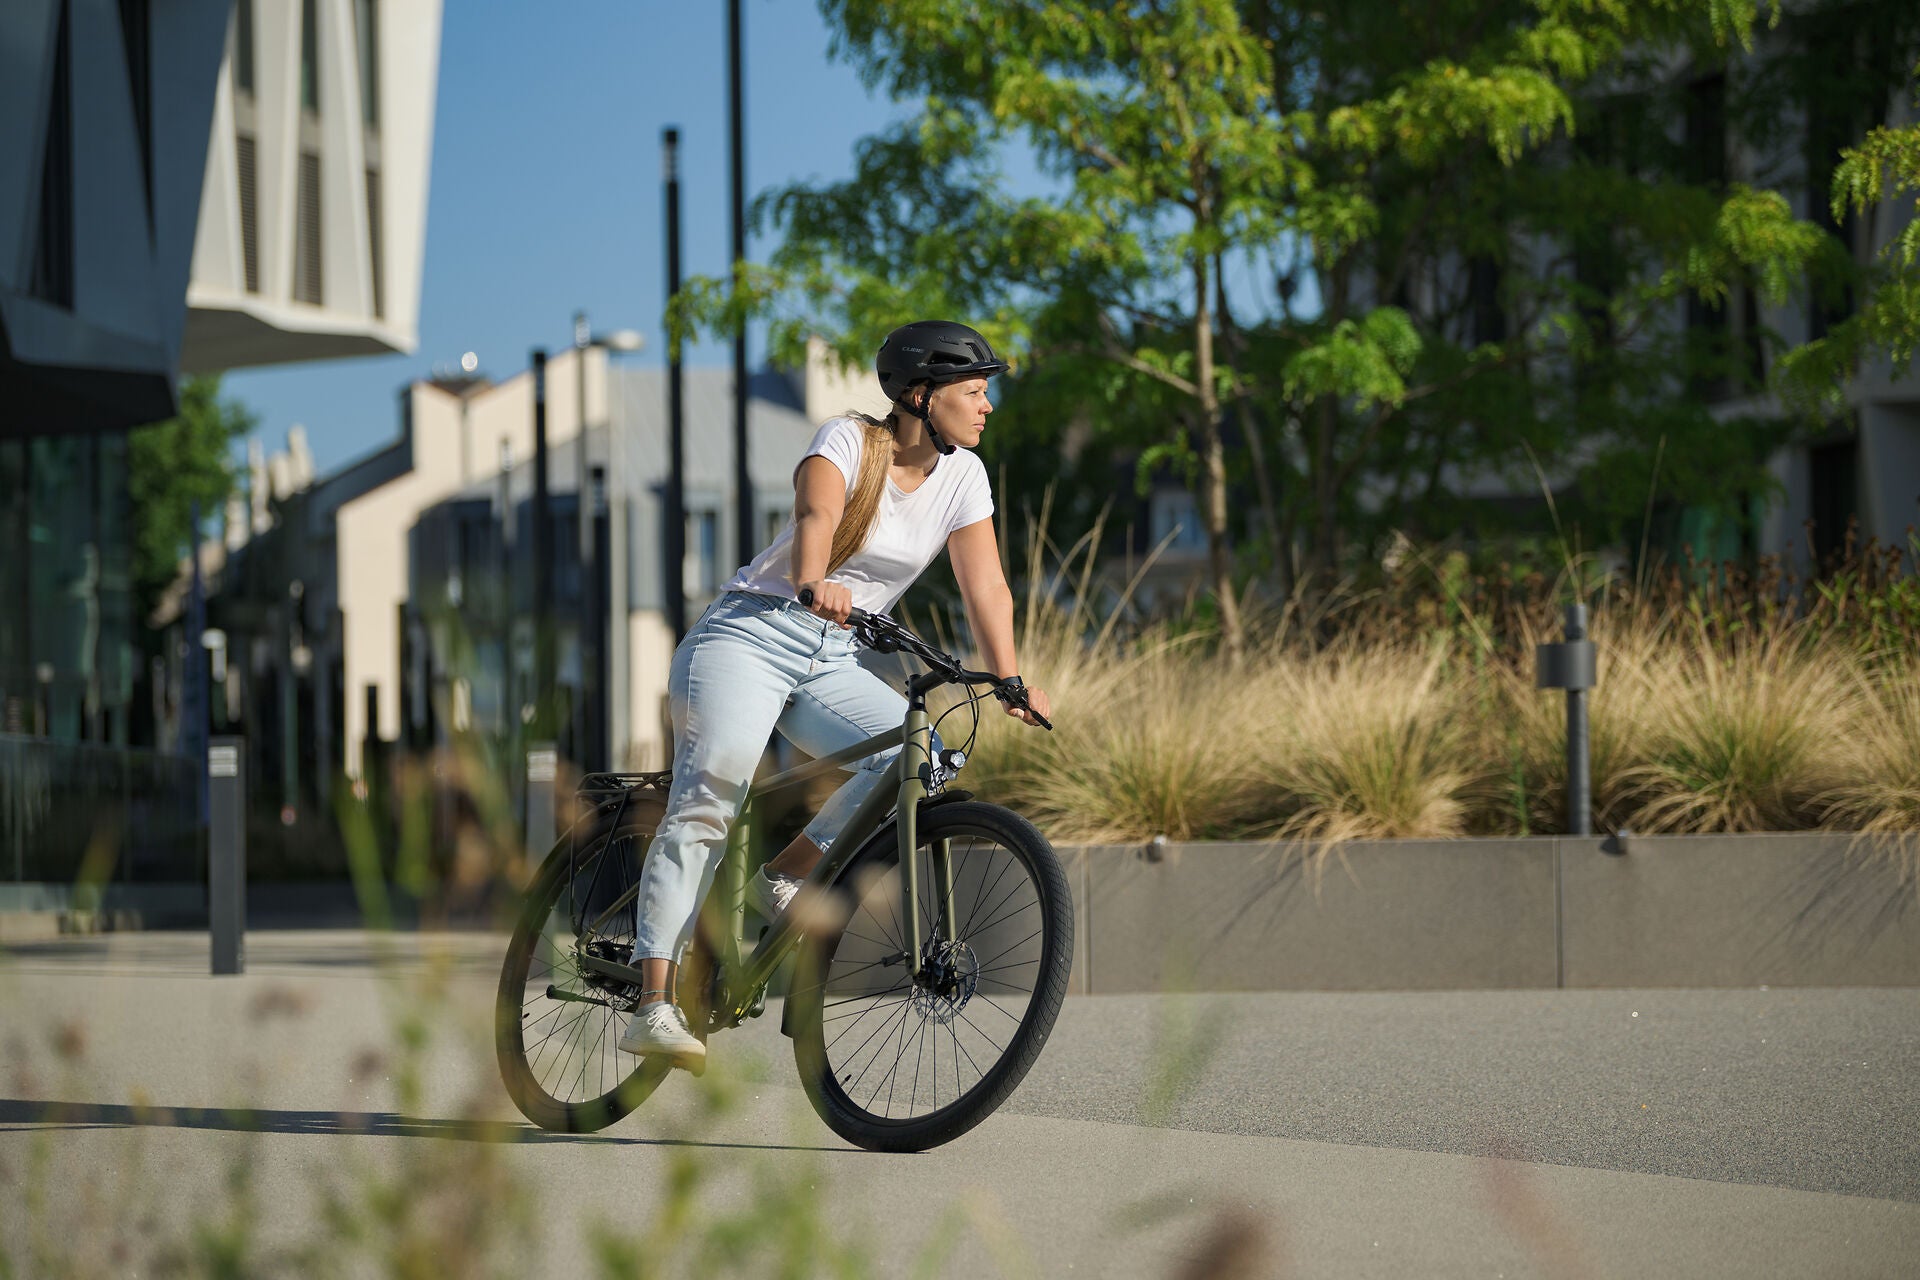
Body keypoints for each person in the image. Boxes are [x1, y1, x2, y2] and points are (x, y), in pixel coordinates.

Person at [617, 320, 1053, 1067]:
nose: (987, 407)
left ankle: (786, 875)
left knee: (919, 759)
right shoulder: (848, 441)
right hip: (750, 635)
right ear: (922, 395)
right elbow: (815, 515)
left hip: (832, 654)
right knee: (711, 795)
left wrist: (1007, 676)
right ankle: (652, 1001)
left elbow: (985, 583)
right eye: (975, 391)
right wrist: (815, 580)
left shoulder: (965, 478)